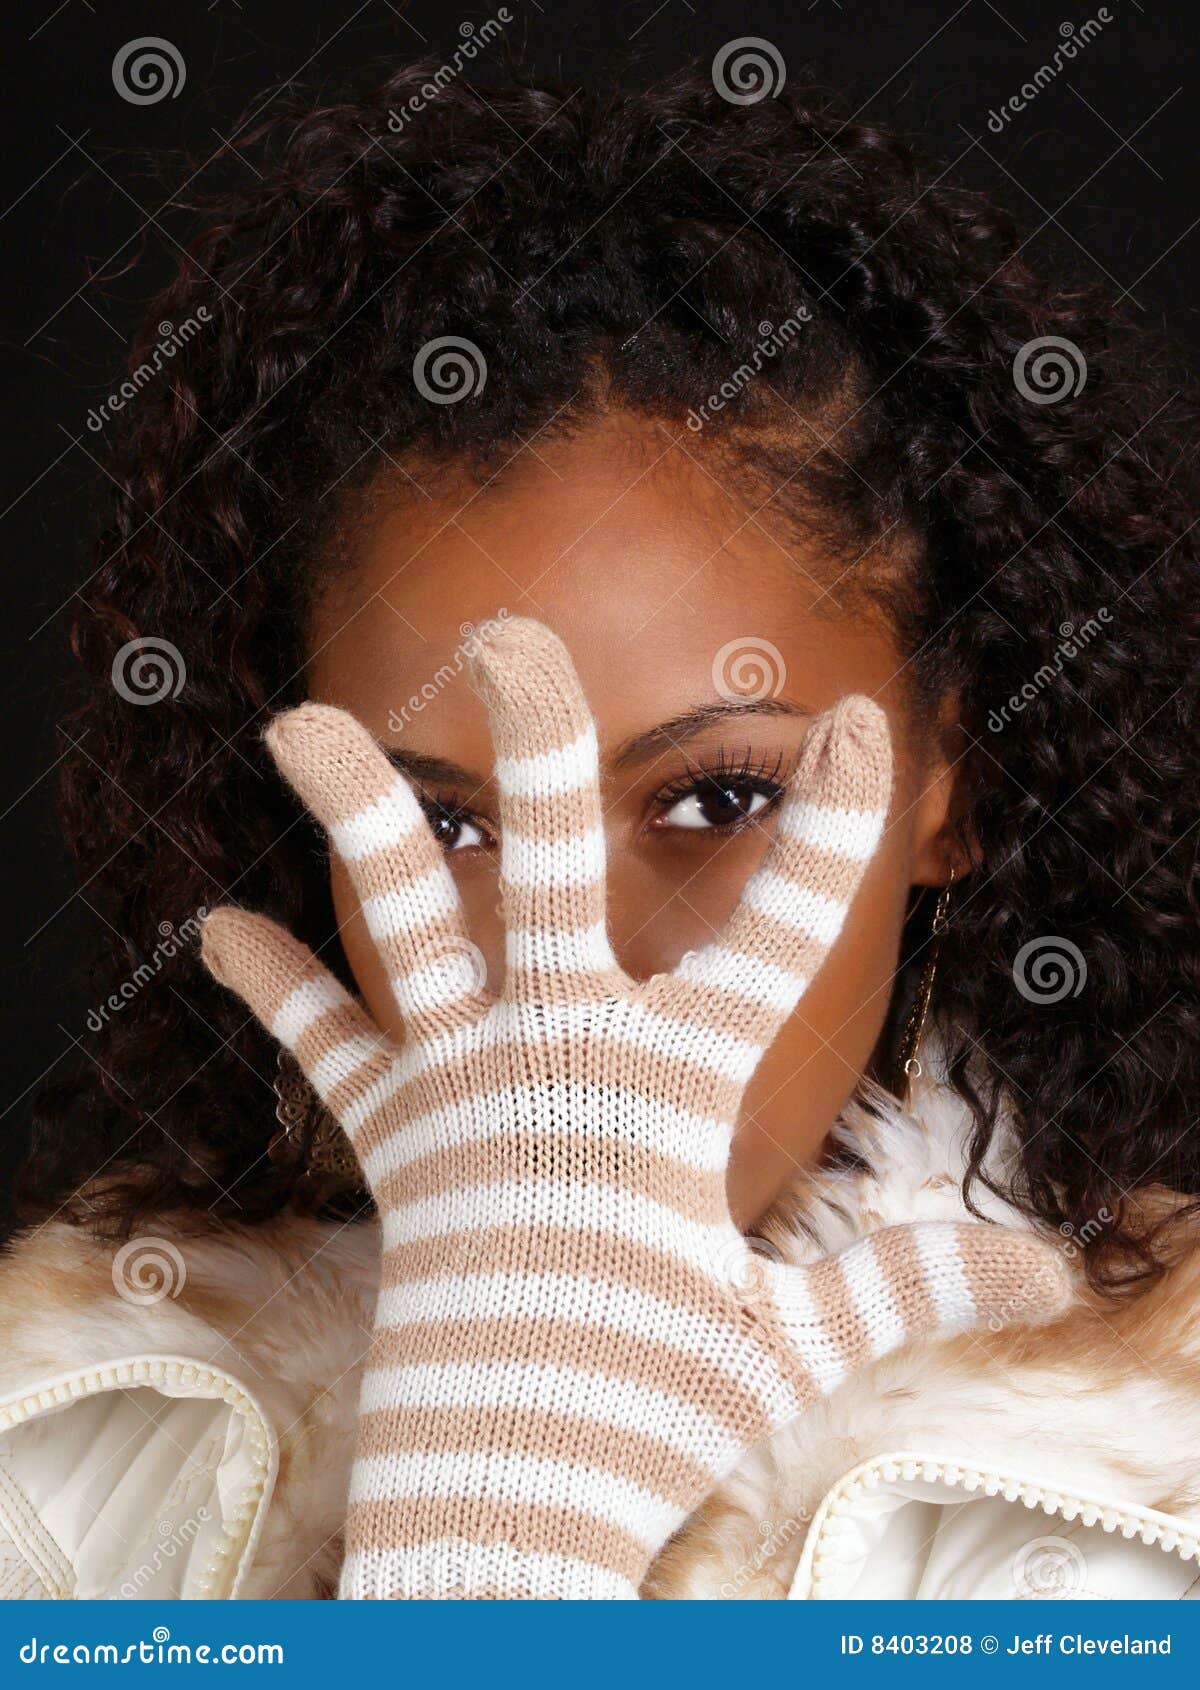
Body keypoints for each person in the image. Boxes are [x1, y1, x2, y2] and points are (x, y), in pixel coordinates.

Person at [2, 59, 1197, 1601]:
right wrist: (480, 1546)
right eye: (442, 820)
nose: (583, 972)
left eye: (717, 798)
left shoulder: (1148, 1494)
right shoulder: (70, 1457)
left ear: (943, 781)